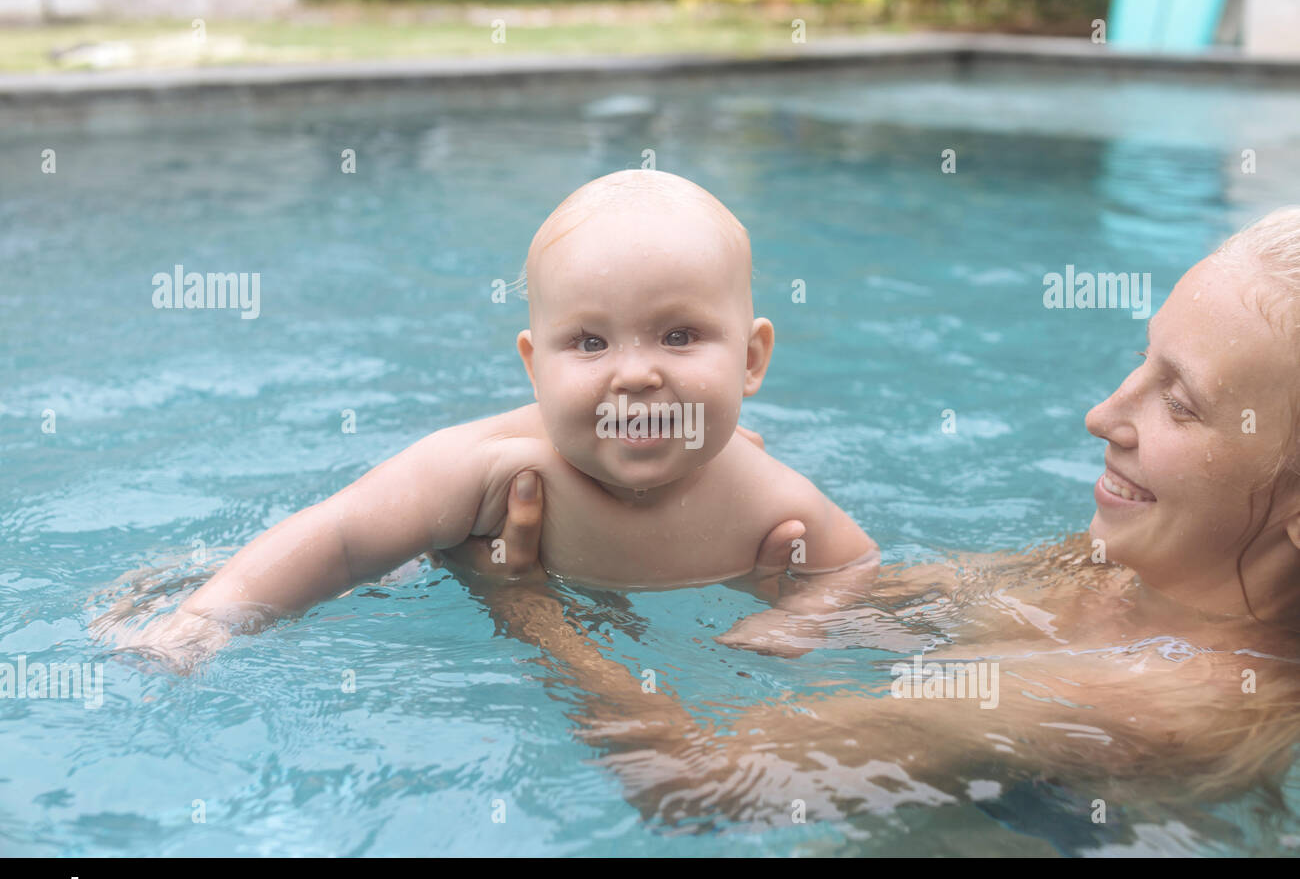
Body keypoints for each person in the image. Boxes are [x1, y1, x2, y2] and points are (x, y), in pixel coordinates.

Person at [440, 208, 1300, 833]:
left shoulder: (1161, 697)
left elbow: (699, 784)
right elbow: (894, 601)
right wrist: (726, 523)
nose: (1104, 414)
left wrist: (520, 603)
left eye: (1180, 403)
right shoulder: (1133, 565)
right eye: (1142, 362)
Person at [92, 169, 877, 672]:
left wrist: (806, 618)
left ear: (750, 359)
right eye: (590, 342)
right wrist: (205, 622)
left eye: (679, 335)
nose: (636, 372)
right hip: (424, 582)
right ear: (535, 366)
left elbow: (855, 567)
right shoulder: (492, 465)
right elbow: (339, 538)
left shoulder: (764, 490)